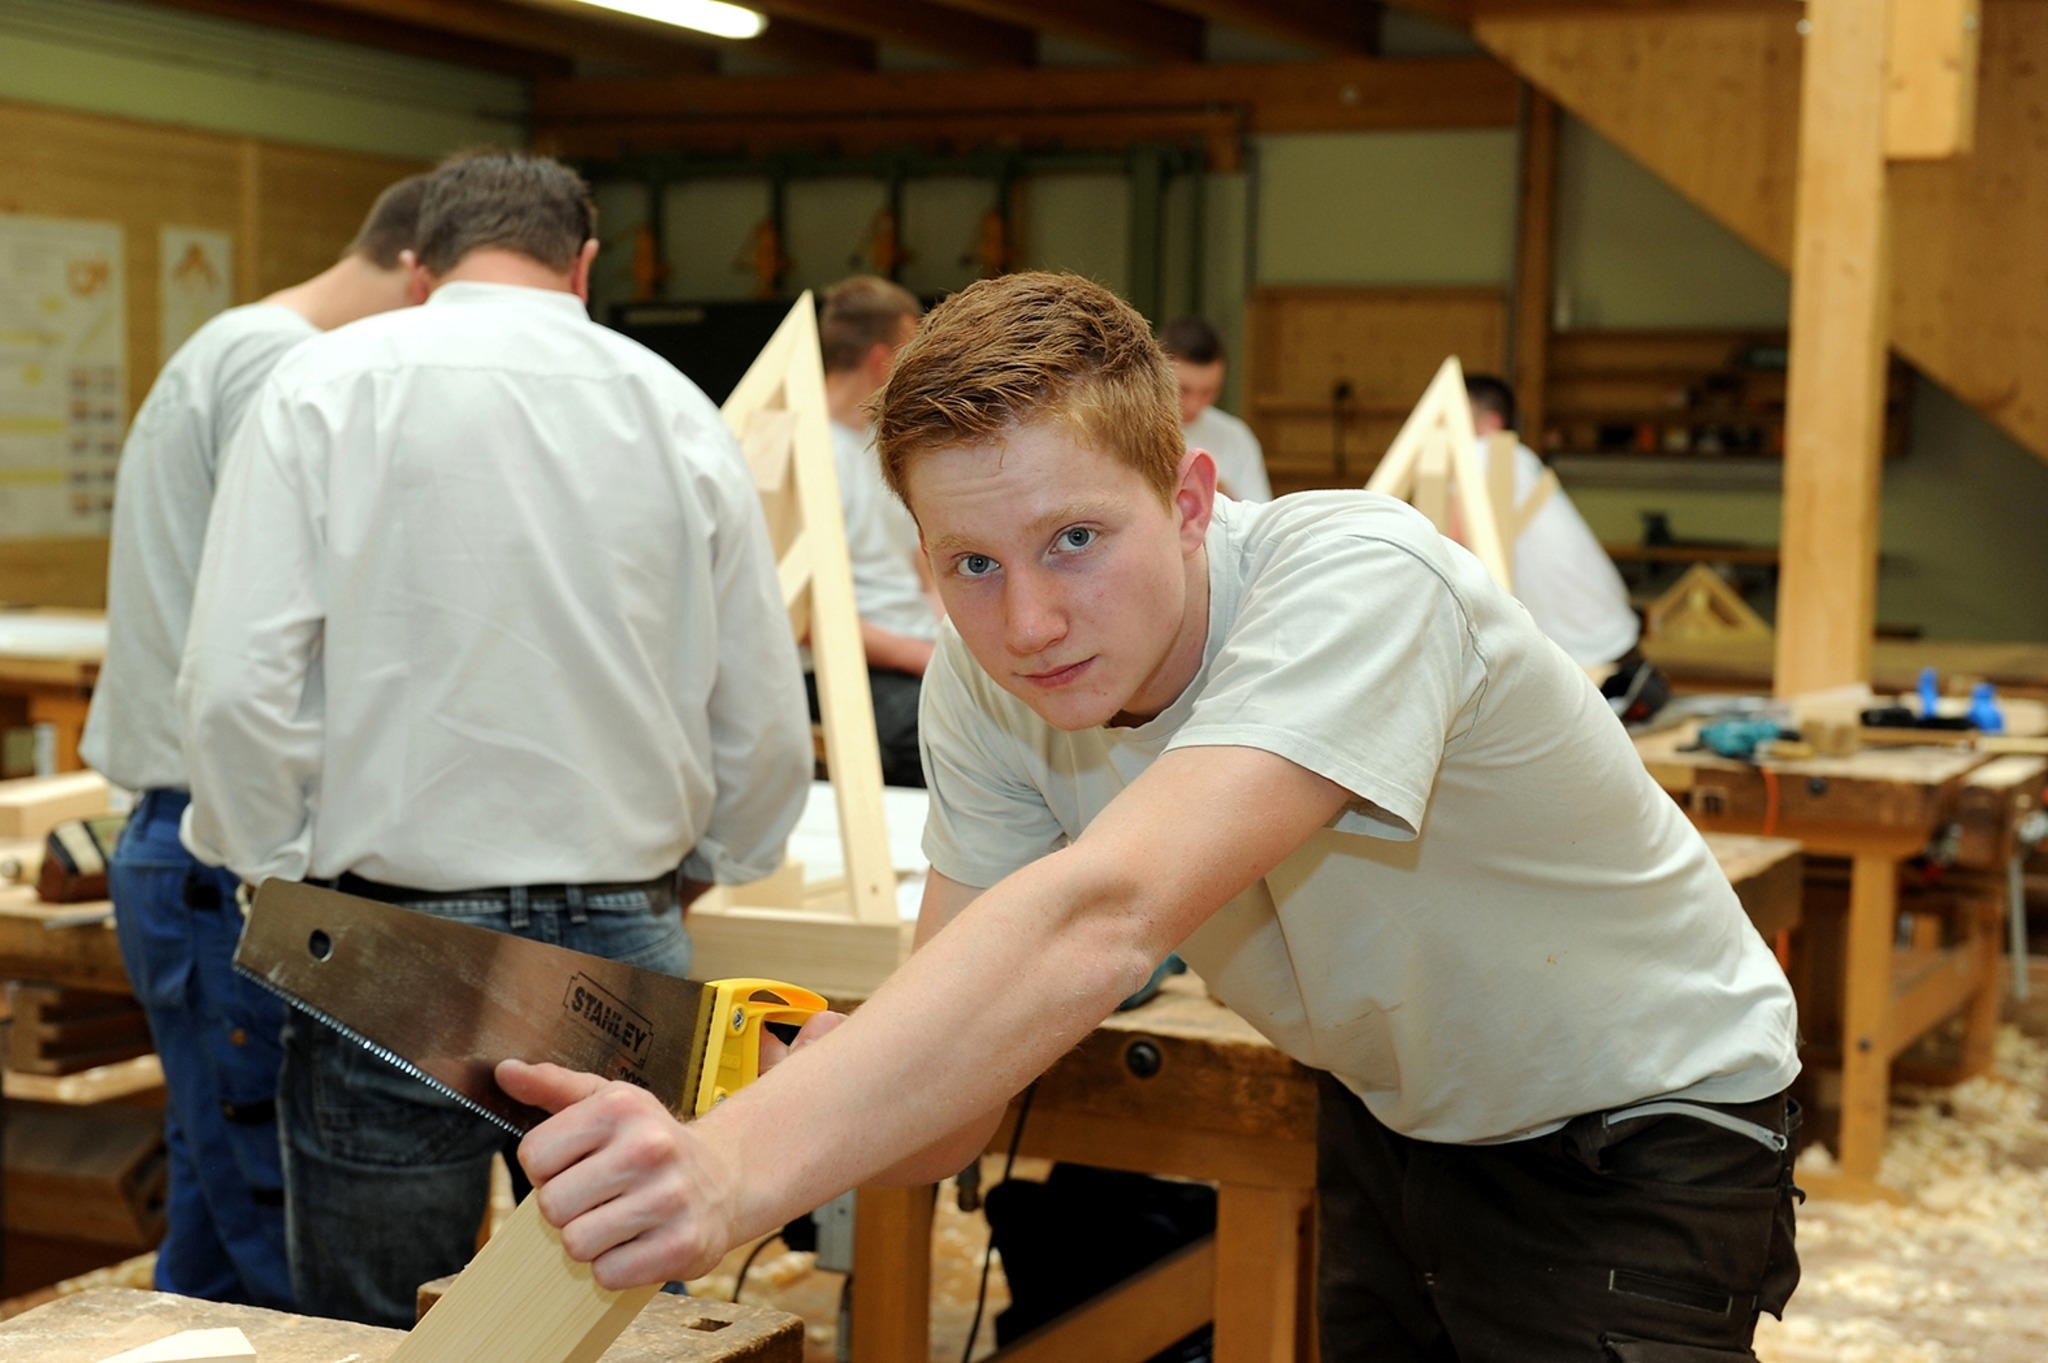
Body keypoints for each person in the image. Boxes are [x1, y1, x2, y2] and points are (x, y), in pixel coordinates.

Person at [499, 273, 1801, 1360]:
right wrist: (814, 1085)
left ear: (1187, 500)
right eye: (973, 564)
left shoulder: (1360, 581)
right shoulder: (984, 686)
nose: (1029, 622)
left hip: (1637, 1121)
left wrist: (730, 1171)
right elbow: (956, 1108)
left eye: (1076, 537)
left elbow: (1109, 912)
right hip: (1398, 1113)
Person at [177, 150, 812, 1328]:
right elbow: (764, 707)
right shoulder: (670, 404)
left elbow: (234, 685)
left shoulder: (324, 386)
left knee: (363, 1327)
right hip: (621, 925)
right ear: (583, 263)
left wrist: (269, 858)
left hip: (386, 924)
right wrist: (716, 857)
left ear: (418, 268)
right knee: (614, 1323)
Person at [79, 174, 427, 1310]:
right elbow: (287, 640)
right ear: (422, 278)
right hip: (225, 846)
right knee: (280, 1248)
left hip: (197, 835)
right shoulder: (284, 368)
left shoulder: (242, 347)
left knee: (223, 1227)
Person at [817, 276, 939, 788]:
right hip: (855, 668)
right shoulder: (803, 452)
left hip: (922, 650)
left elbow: (922, 561)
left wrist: (957, 634)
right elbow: (803, 618)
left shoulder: (882, 446)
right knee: (944, 739)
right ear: (881, 361)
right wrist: (922, 657)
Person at [1462, 374, 1640, 669]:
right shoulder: (1521, 458)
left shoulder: (1484, 453)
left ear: (1492, 423)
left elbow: (1449, 544)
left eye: (1455, 415)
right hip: (1608, 630)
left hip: (1582, 650)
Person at [1161, 314, 1271, 502]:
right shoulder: (1130, 427)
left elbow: (1260, 518)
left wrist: (1222, 497)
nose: (1194, 405)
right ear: (1159, 374)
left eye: (1208, 392)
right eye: (1183, 390)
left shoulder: (1235, 436)